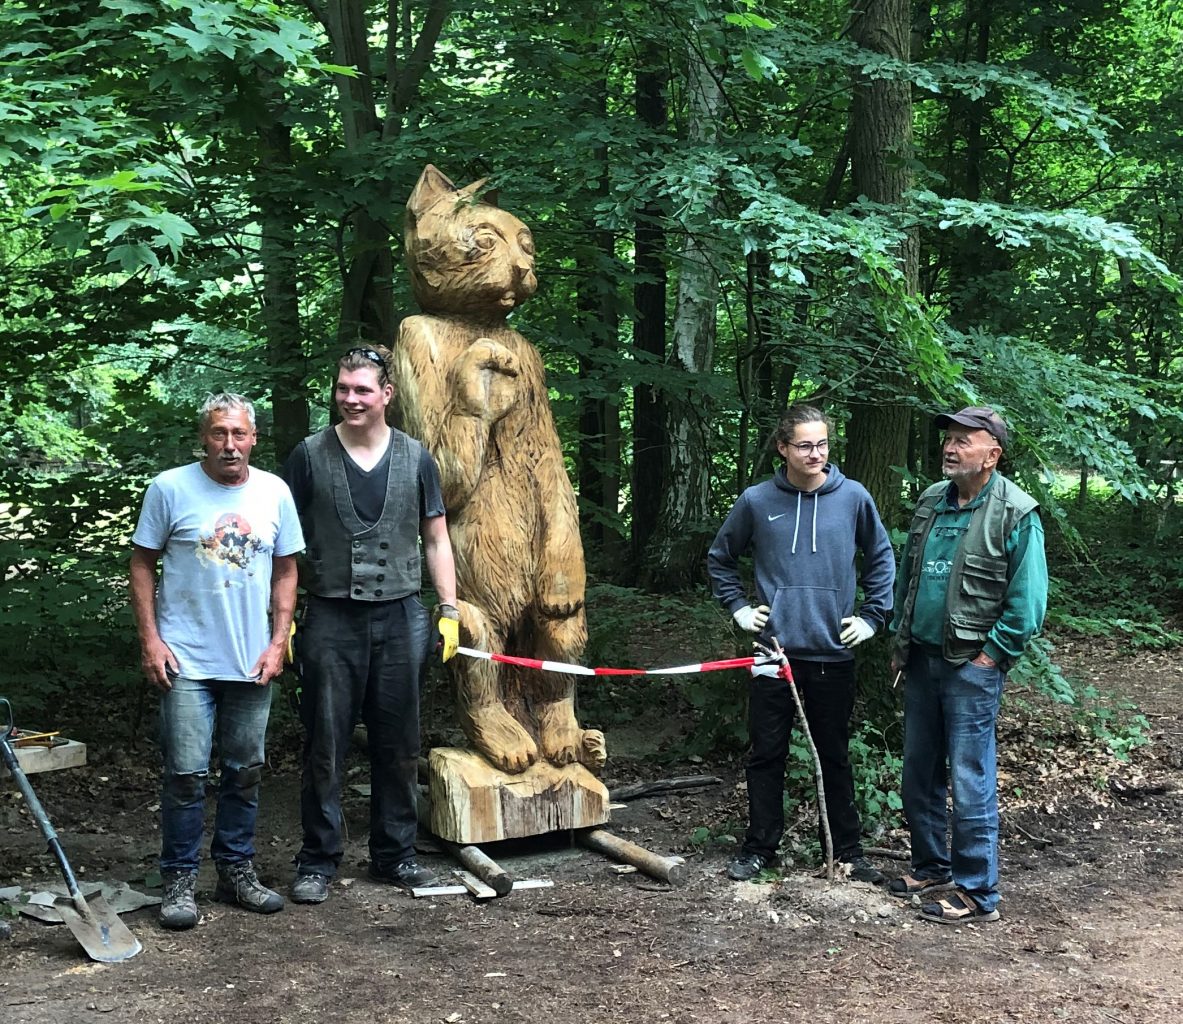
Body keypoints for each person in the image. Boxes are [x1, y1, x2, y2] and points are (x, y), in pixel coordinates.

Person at [282, 345, 459, 905]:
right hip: (329, 615)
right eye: (343, 389)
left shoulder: (417, 458)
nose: (350, 399)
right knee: (325, 743)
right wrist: (279, 617)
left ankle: (395, 855)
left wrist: (449, 609)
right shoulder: (308, 456)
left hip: (401, 616)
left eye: (362, 390)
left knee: (399, 742)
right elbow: (282, 545)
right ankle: (318, 860)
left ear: (386, 395)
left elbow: (436, 538)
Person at [130, 393, 304, 931]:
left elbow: (286, 571)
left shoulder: (274, 491)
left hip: (251, 660)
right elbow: (141, 564)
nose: (229, 444)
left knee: (245, 772)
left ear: (254, 438)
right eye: (219, 433)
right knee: (185, 775)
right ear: (203, 437)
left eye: (239, 434)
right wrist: (151, 641)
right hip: (186, 659)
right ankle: (179, 880)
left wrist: (278, 644)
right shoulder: (170, 488)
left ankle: (236, 872)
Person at [707, 405, 896, 884]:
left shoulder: (852, 497)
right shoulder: (756, 500)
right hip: (773, 652)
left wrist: (873, 617)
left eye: (823, 444)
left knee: (832, 752)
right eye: (805, 445)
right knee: (766, 752)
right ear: (783, 448)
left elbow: (881, 557)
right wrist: (739, 609)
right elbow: (720, 559)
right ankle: (759, 849)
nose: (816, 454)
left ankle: (847, 851)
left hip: (833, 650)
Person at [889, 406, 1047, 924]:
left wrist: (989, 658)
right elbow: (910, 578)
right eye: (949, 439)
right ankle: (932, 865)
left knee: (970, 776)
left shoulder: (1016, 513)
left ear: (992, 454)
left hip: (970, 669)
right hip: (922, 661)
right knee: (919, 772)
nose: (950, 448)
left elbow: (1028, 606)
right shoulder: (932, 502)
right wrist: (901, 642)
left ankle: (978, 892)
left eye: (964, 440)